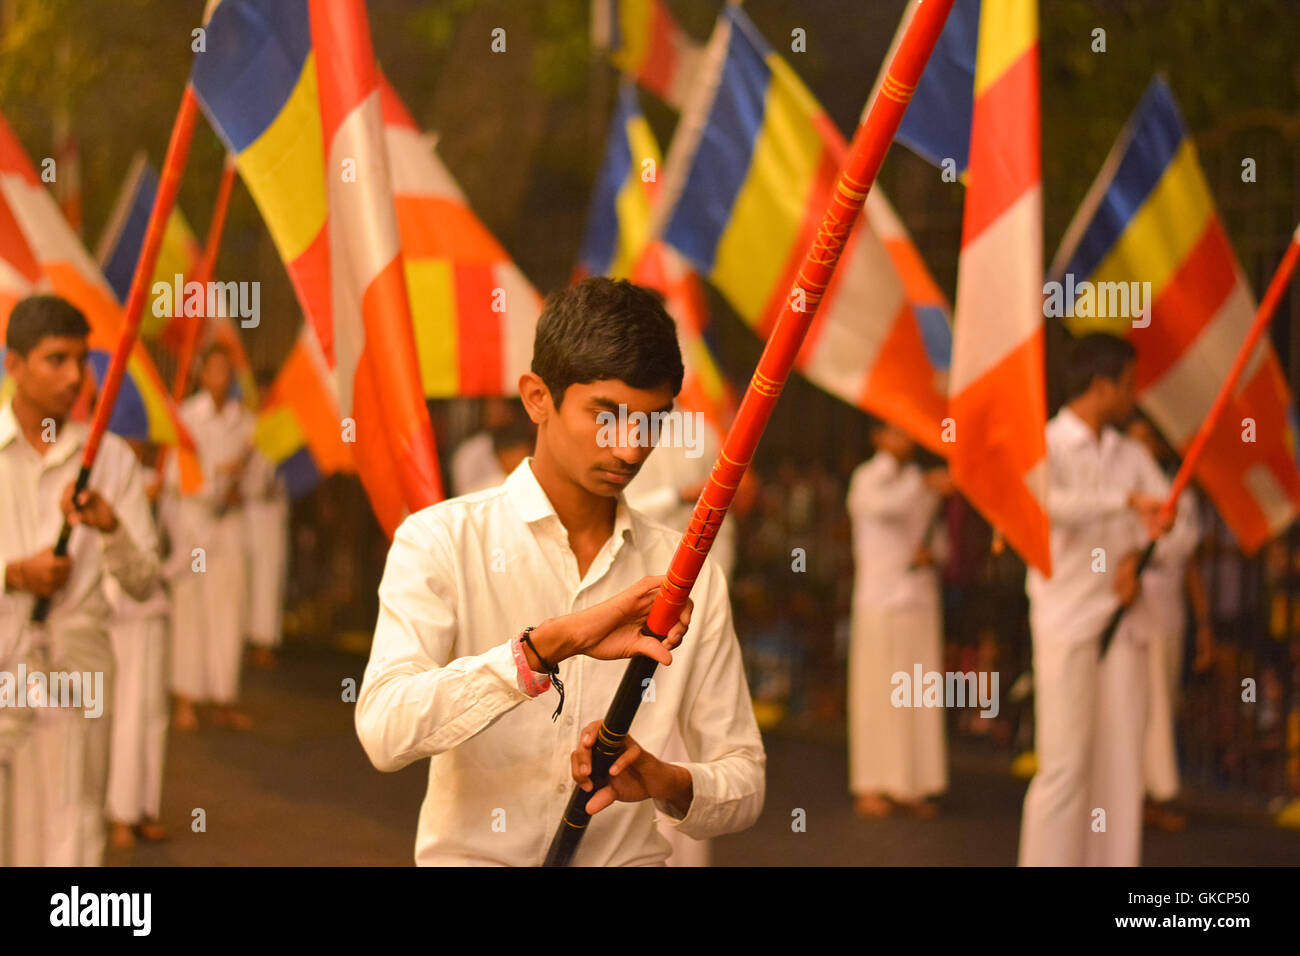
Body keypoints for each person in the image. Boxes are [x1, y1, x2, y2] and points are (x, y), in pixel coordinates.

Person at [355, 277, 765, 866]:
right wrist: (545, 647)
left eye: (650, 422)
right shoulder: (440, 540)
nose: (629, 449)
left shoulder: (687, 573)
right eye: (606, 416)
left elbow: (744, 778)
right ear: (536, 397)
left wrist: (664, 779)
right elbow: (385, 731)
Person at [0, 295, 160, 865]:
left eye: (82, 359)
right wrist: (15, 573)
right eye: (56, 359)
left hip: (79, 678)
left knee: (74, 833)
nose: (76, 376)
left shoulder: (111, 460)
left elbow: (145, 584)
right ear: (13, 364)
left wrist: (112, 527)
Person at [1018, 333, 1169, 867]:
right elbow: (1043, 505)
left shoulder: (1130, 452)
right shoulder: (1047, 444)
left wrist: (1138, 555)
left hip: (1125, 624)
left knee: (1121, 765)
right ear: (1102, 387)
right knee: (1064, 766)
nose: (1135, 396)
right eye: (1128, 385)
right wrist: (1122, 502)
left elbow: (1176, 520)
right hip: (1066, 620)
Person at [846, 421, 953, 819]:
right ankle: (872, 784)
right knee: (877, 693)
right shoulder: (868, 478)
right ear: (877, 435)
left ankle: (913, 784)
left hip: (919, 597)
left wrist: (935, 555)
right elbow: (882, 508)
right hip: (880, 599)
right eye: (896, 430)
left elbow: (938, 541)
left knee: (917, 691)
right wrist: (926, 485)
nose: (906, 436)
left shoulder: (919, 481)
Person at [1124, 415, 1214, 832]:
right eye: (1134, 440)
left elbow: (1189, 564)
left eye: (1148, 440)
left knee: (1162, 702)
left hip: (1167, 611)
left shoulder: (1180, 495)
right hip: (1126, 611)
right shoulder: (1122, 495)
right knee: (1129, 703)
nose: (1141, 448)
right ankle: (1127, 795)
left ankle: (1155, 793)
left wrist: (1205, 625)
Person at [166, 342, 254, 731]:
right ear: (203, 374)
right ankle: (186, 700)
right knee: (192, 612)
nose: (221, 377)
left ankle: (223, 698)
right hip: (195, 526)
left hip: (231, 527)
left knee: (228, 611)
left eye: (227, 370)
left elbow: (261, 480)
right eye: (214, 369)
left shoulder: (246, 422)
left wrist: (240, 485)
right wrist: (219, 477)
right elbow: (175, 477)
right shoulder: (185, 418)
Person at [105, 441, 170, 850]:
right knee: (112, 713)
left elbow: (155, 557)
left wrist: (158, 503)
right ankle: (115, 813)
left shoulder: (148, 473)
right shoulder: (93, 459)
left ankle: (140, 807)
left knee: (147, 713)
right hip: (103, 614)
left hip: (145, 611)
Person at [242, 440, 289, 670]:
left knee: (269, 579)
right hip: (248, 515)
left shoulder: (286, 434)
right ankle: (246, 641)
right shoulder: (247, 430)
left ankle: (264, 643)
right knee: (245, 579)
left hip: (271, 517)